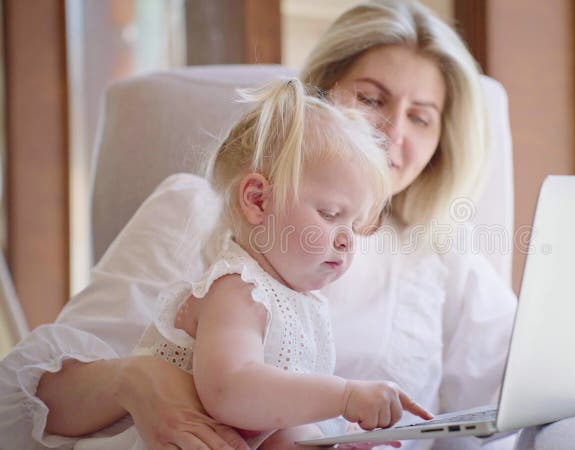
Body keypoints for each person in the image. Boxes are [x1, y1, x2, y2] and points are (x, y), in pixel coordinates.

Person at [0, 1, 575, 449]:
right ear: (322, 98)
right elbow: (20, 395)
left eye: (421, 117)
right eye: (370, 98)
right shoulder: (203, 210)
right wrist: (138, 380)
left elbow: (534, 386)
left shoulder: (441, 256)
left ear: (443, 141)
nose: (391, 134)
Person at [69, 78, 431, 449]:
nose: (346, 239)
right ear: (258, 201)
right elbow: (232, 390)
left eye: (355, 225)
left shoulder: (297, 302)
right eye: (330, 213)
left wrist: (334, 438)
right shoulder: (238, 289)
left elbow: (279, 420)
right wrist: (344, 396)